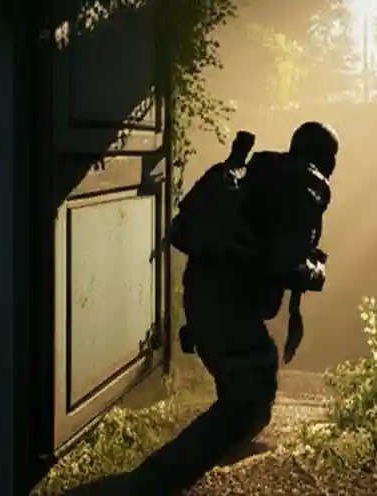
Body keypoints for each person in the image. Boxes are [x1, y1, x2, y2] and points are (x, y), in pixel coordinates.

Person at [122, 121, 339, 494]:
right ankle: (152, 482)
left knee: (250, 387)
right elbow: (284, 263)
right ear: (325, 158)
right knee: (247, 400)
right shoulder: (306, 185)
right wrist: (317, 271)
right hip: (226, 306)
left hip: (207, 296)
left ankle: (174, 473)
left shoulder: (258, 171)